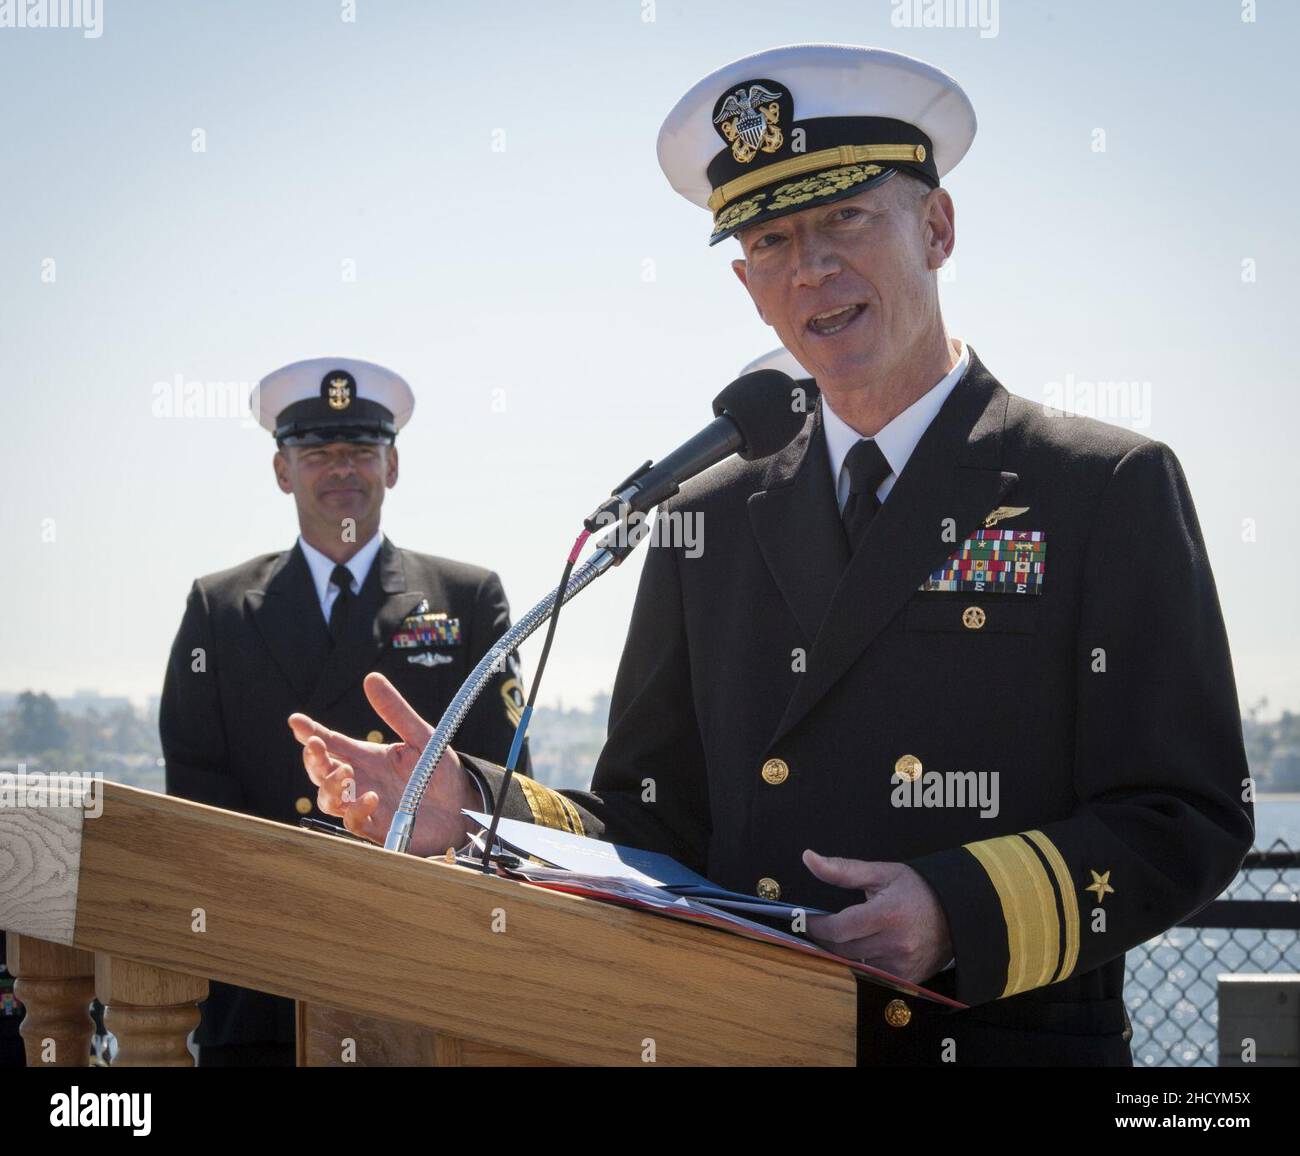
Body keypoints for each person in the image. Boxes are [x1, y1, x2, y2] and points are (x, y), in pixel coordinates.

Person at [290, 46, 1254, 1065]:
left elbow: (1183, 812)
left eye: (845, 217)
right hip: (744, 1040)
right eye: (772, 238)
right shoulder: (703, 516)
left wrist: (956, 909)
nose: (812, 267)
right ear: (751, 289)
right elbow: (653, 820)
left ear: (937, 228)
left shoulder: (1099, 486)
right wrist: (478, 803)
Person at [161, 356, 529, 1066]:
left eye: (361, 450)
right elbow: (198, 794)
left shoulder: (466, 597)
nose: (341, 469)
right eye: (317, 452)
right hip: (264, 976)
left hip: (422, 964)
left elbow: (503, 787)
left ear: (392, 467)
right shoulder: (220, 608)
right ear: (281, 470)